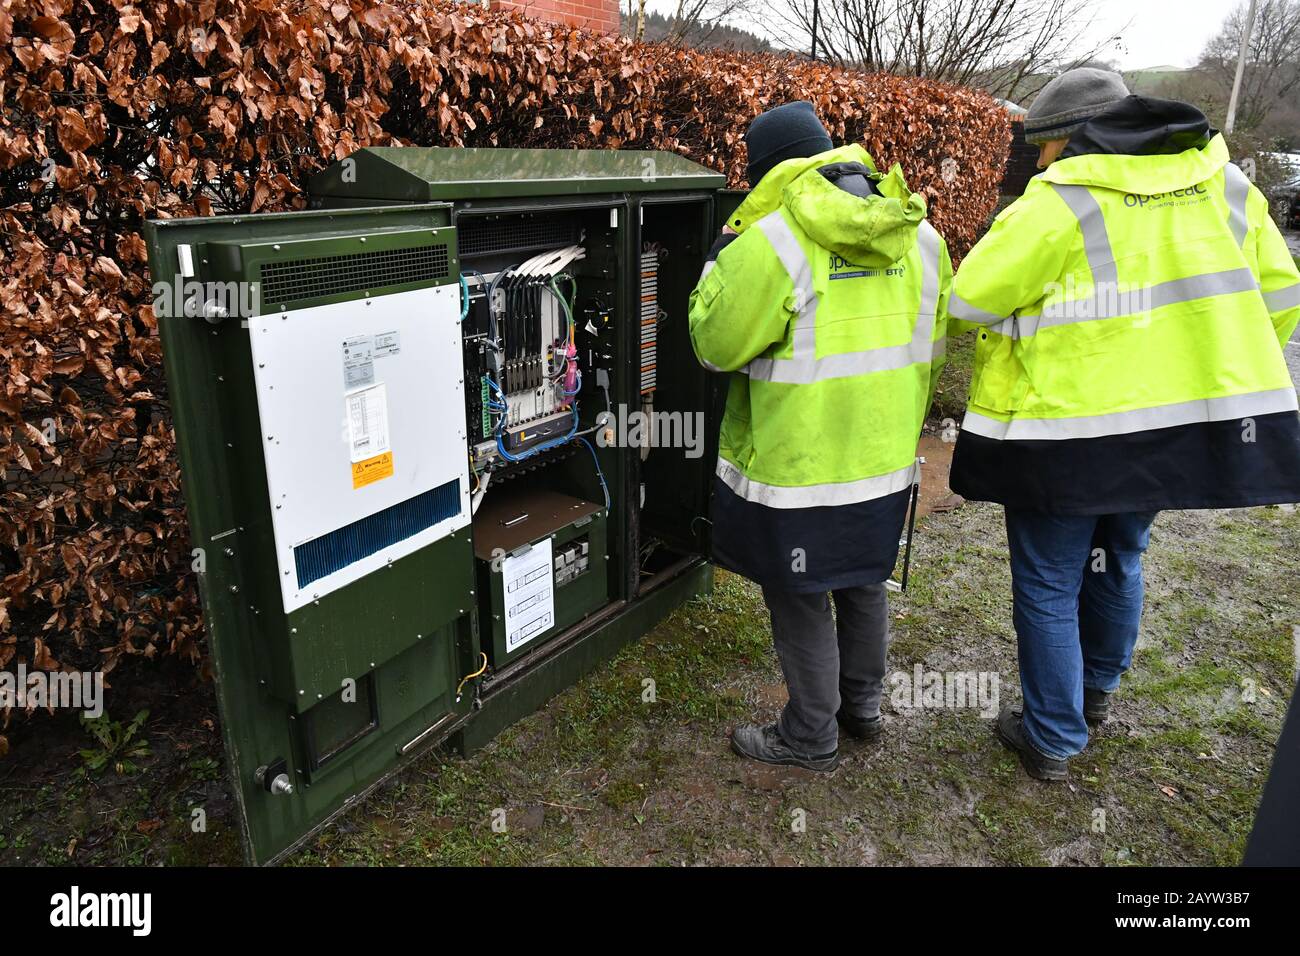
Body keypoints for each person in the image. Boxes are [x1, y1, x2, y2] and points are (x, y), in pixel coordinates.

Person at [947, 68, 1300, 780]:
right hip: (1172, 436)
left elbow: (972, 298)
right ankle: (1094, 696)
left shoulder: (1061, 199)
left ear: (1075, 139)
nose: (1040, 161)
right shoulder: (1229, 189)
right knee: (1119, 558)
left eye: (1045, 146)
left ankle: (1051, 735)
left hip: (1065, 435)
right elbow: (1279, 299)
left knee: (1049, 579)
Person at [688, 102, 952, 772]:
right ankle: (860, 709)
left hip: (799, 468)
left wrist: (720, 263)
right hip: (882, 461)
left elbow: (714, 347)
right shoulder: (920, 238)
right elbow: (936, 350)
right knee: (863, 578)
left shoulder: (774, 243)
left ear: (766, 172)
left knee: (801, 595)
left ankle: (810, 734)